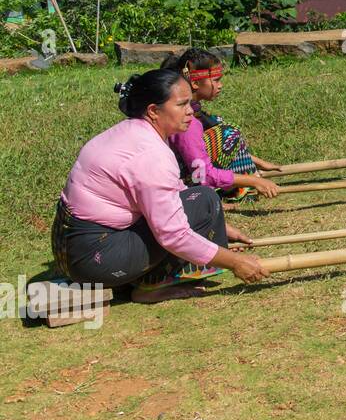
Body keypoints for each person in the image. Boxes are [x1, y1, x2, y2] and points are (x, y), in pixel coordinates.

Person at [51, 70, 267, 304]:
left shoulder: (131, 131)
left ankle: (141, 276)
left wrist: (222, 228)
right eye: (182, 104)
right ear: (153, 111)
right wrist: (234, 262)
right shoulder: (151, 155)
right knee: (204, 201)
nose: (190, 112)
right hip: (95, 260)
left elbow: (175, 193)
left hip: (72, 249)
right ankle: (150, 287)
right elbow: (173, 235)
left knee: (202, 201)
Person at [161, 48, 280, 200]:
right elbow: (201, 173)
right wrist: (254, 180)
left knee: (219, 126)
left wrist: (257, 161)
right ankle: (226, 192)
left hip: (191, 172)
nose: (220, 85)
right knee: (228, 133)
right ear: (196, 82)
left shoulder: (189, 113)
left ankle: (241, 180)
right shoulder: (187, 123)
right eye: (216, 80)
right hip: (184, 183)